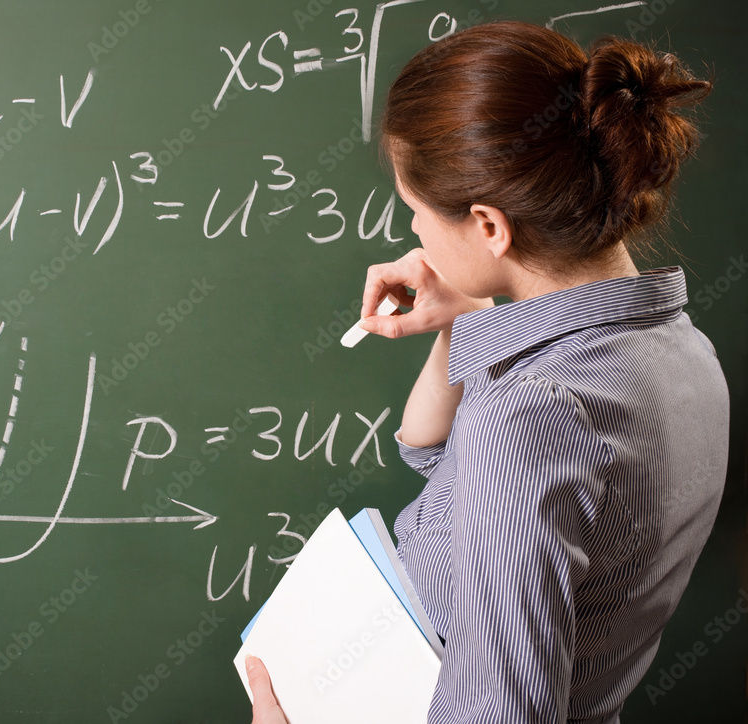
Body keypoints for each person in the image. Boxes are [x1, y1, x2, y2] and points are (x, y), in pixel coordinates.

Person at [248, 19, 728, 724]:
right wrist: (464, 317)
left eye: (416, 212)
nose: (414, 232)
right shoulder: (683, 350)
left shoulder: (534, 409)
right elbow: (435, 457)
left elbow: (501, 710)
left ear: (489, 226)